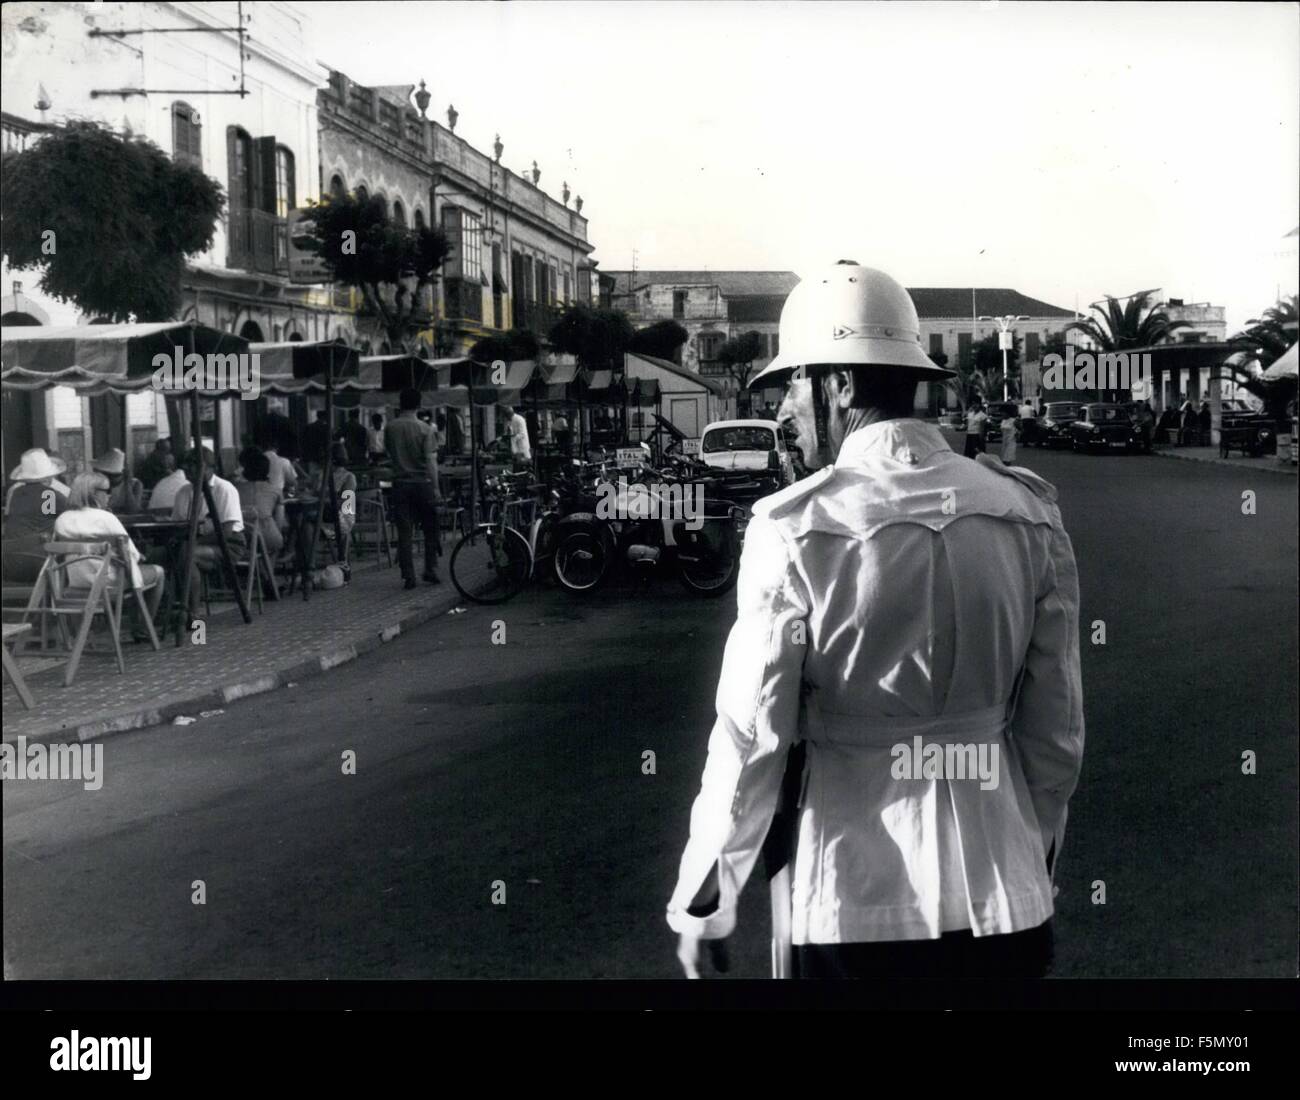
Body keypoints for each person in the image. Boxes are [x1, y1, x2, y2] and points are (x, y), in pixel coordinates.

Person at [667, 262, 1084, 980]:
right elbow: (1055, 733)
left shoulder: (794, 526)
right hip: (1006, 908)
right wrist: (1031, 855)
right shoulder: (1026, 513)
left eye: (795, 383)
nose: (786, 410)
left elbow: (752, 736)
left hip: (852, 910)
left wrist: (709, 892)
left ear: (841, 385)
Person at [54, 473, 165, 642]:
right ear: (93, 493)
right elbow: (131, 556)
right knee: (157, 572)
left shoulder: (62, 519)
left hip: (77, 582)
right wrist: (138, 556)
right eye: (106, 490)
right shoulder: (106, 518)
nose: (109, 495)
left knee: (130, 574)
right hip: (109, 583)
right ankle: (142, 629)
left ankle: (81, 637)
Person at [170, 447, 246, 618]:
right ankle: (156, 613)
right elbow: (177, 524)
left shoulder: (224, 489)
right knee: (159, 555)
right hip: (193, 541)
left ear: (208, 468)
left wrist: (194, 542)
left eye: (193, 466)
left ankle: (192, 613)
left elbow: (226, 532)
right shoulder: (184, 491)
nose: (188, 471)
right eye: (186, 466)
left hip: (227, 545)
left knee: (189, 555)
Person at [385, 387, 441, 589]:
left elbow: (389, 454)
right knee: (430, 528)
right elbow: (431, 462)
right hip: (422, 483)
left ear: (401, 404)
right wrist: (436, 489)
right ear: (419, 405)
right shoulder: (426, 429)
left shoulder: (390, 427)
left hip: (400, 484)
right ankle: (430, 569)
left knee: (404, 531)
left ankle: (408, 575)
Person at [2, 448, 69, 584]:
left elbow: (40, 518)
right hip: (39, 562)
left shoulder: (16, 493)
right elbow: (66, 517)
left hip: (10, 561)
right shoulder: (48, 495)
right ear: (48, 476)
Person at [299, 442, 357, 582]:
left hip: (339, 518)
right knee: (304, 526)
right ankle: (308, 568)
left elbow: (347, 506)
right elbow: (307, 490)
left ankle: (340, 565)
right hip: (318, 516)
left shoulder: (348, 477)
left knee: (307, 520)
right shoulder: (319, 475)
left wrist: (323, 499)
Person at [235, 446, 286, 558]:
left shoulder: (234, 488)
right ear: (267, 470)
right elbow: (279, 523)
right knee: (276, 541)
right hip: (267, 537)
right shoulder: (275, 491)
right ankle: (268, 572)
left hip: (241, 538)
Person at [92, 448, 144, 514]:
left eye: (115, 475)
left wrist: (127, 485)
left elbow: (134, 510)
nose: (111, 478)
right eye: (108, 474)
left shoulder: (135, 484)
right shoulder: (99, 485)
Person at [500, 403, 531, 470]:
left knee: (522, 466)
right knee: (516, 466)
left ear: (509, 414)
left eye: (506, 415)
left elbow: (522, 434)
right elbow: (507, 431)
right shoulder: (508, 421)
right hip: (515, 448)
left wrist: (512, 437)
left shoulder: (519, 420)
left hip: (522, 447)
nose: (505, 417)